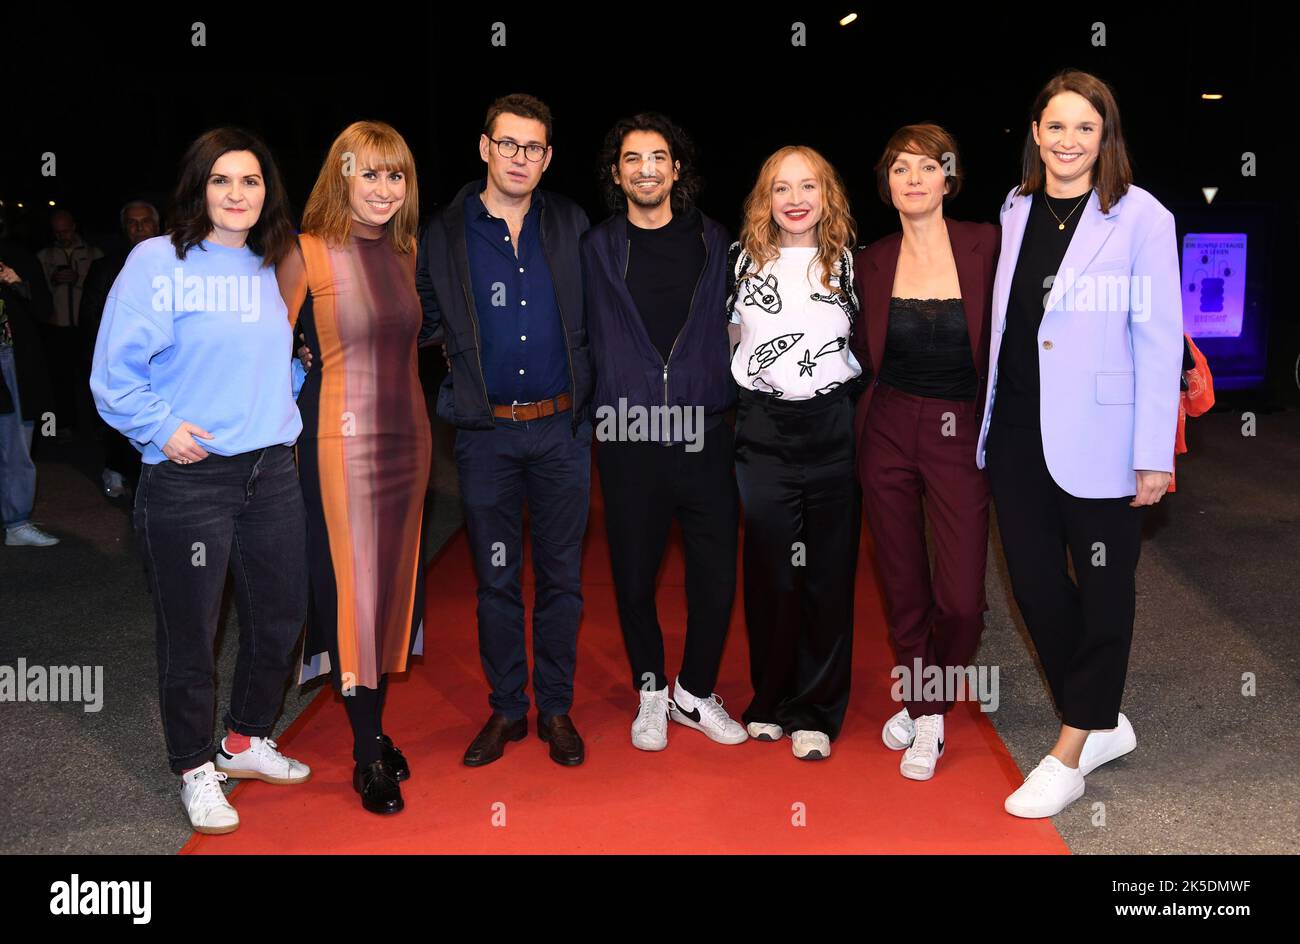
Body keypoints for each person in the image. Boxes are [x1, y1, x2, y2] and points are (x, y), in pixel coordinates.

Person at [91, 127, 312, 835]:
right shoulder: (159, 260)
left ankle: (244, 738)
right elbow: (113, 373)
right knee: (193, 633)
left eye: (251, 180)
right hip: (190, 479)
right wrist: (161, 429)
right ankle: (194, 766)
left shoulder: (271, 262)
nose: (237, 193)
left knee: (282, 614)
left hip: (270, 470)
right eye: (222, 180)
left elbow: (262, 361)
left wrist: (292, 383)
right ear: (199, 188)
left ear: (267, 192)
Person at [975, 70, 1183, 818]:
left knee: (1103, 594)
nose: (1069, 141)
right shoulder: (1015, 207)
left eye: (1085, 128)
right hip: (1017, 434)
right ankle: (1099, 718)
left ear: (1106, 137)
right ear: (1036, 133)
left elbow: (1158, 338)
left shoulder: (1142, 217)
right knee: (1034, 587)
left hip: (1104, 435)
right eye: (1056, 126)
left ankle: (1069, 754)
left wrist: (1153, 452)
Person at [415, 94, 594, 767]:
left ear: (548, 158)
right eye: (508, 143)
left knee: (561, 579)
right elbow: (419, 315)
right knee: (496, 579)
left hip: (561, 433)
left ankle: (556, 708)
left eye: (533, 147)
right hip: (486, 436)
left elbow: (602, 312)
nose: (520, 157)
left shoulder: (572, 223)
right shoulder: (444, 232)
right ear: (485, 147)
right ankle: (508, 709)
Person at [279, 121, 430, 815]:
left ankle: (374, 726)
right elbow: (262, 350)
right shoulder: (305, 252)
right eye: (369, 173)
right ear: (340, 177)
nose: (384, 188)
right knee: (354, 592)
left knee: (391, 589)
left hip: (409, 441)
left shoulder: (406, 251)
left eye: (395, 175)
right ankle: (367, 752)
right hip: (340, 444)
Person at [583, 113, 745, 751]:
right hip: (628, 434)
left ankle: (695, 692)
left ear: (677, 169)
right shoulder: (595, 248)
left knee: (716, 575)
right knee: (632, 576)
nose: (646, 168)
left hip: (705, 431)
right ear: (616, 173)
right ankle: (651, 690)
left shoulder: (717, 241)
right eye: (632, 158)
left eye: (658, 157)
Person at [852, 124, 999, 780]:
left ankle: (926, 697)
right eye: (899, 168)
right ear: (886, 185)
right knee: (903, 581)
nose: (913, 178)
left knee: (962, 598)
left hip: (959, 427)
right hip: (886, 425)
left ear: (949, 177)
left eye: (926, 166)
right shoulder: (869, 260)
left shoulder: (988, 244)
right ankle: (928, 712)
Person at [728, 146, 864, 761]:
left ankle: (815, 710)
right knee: (772, 574)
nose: (795, 199)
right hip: (763, 431)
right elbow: (731, 339)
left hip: (833, 428)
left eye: (808, 186)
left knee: (828, 574)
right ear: (766, 197)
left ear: (827, 194)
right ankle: (770, 699)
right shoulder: (741, 262)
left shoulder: (851, 265)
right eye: (781, 187)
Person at [81, 200, 161, 498]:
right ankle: (119, 470)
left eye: (145, 221)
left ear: (157, 224)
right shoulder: (106, 267)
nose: (139, 228)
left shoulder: (178, 262)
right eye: (132, 222)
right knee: (123, 426)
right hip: (124, 362)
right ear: (124, 228)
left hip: (163, 363)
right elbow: (91, 317)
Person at [1, 229, 58, 546]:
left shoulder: (17, 255)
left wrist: (17, 282)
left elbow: (44, 309)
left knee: (16, 444)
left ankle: (16, 522)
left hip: (11, 359)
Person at [37, 209, 102, 435]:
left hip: (86, 328)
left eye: (65, 231)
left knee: (92, 379)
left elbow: (101, 287)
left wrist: (78, 279)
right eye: (57, 232)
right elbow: (36, 290)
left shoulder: (94, 253)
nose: (61, 236)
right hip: (57, 327)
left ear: (74, 227)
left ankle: (98, 427)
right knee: (60, 379)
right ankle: (64, 425)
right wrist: (53, 280)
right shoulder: (44, 256)